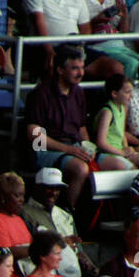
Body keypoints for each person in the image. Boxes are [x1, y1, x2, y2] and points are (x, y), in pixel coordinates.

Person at [23, 48, 94, 209]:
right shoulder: (41, 93)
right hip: (45, 151)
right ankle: (68, 213)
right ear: (60, 70)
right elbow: (35, 136)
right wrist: (68, 149)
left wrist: (89, 148)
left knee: (114, 165)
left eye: (82, 68)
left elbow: (81, 128)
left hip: (74, 147)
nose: (80, 73)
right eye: (75, 68)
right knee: (81, 168)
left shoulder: (78, 92)